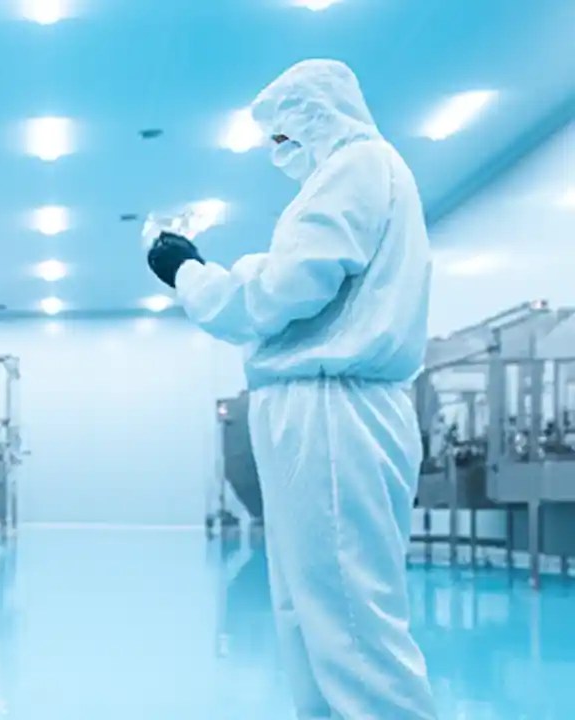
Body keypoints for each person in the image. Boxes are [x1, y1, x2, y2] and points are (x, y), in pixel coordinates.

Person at [147, 59, 439, 719]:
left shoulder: (357, 167)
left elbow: (284, 288)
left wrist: (192, 274)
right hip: (325, 408)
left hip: (333, 412)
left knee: (353, 628)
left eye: (282, 135)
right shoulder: (358, 175)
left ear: (313, 115)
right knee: (312, 616)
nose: (278, 152)